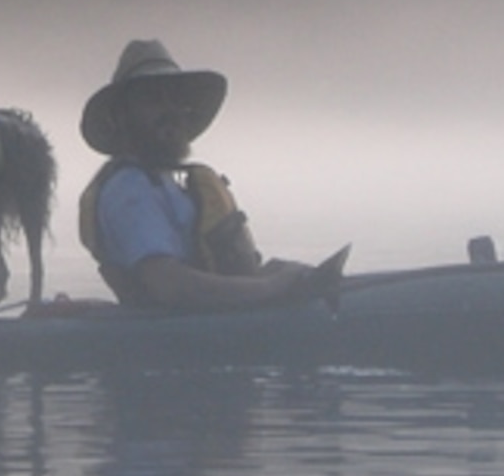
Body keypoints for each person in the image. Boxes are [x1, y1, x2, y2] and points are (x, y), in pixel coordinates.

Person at [73, 40, 348, 313]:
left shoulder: (160, 181)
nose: (170, 111)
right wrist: (273, 286)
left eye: (176, 99)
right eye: (153, 99)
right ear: (122, 115)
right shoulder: (129, 190)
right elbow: (169, 286)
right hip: (182, 335)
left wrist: (274, 275)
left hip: (215, 322)